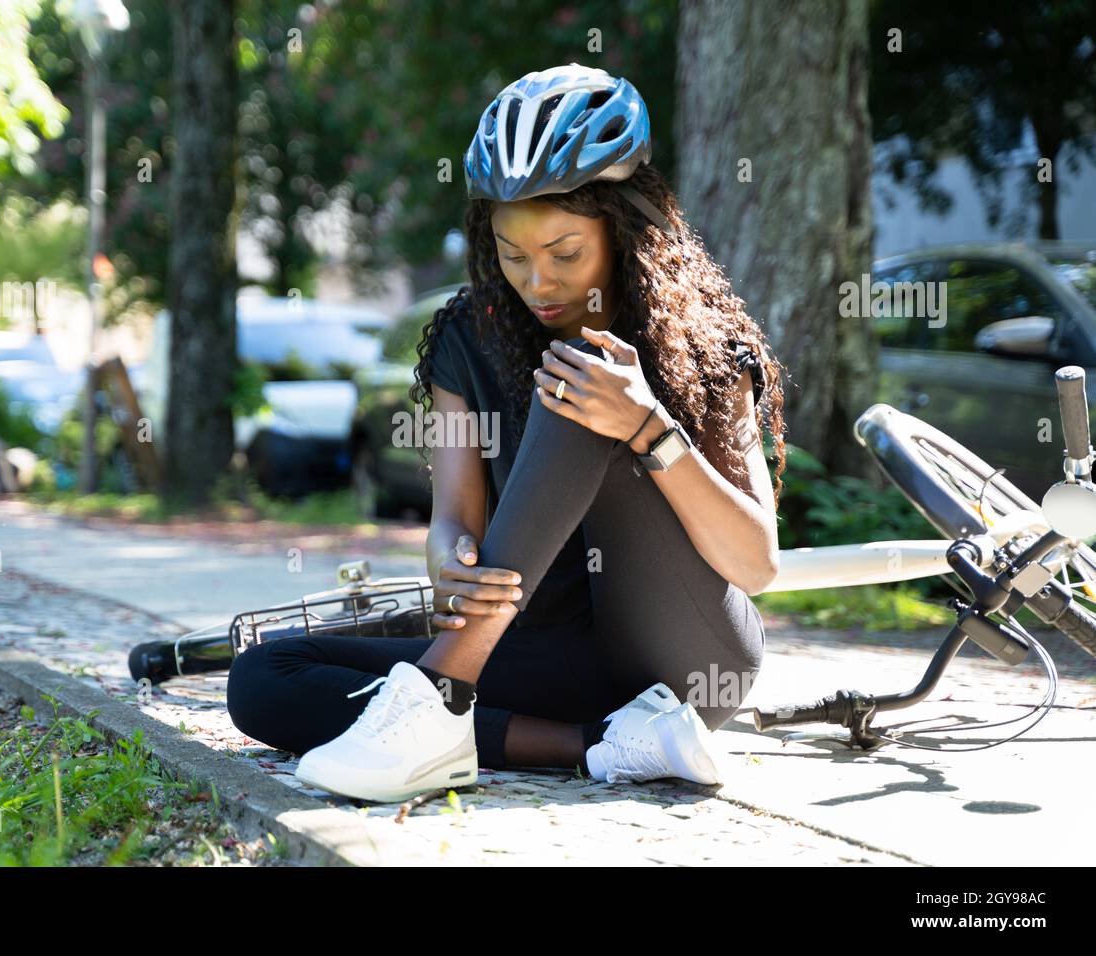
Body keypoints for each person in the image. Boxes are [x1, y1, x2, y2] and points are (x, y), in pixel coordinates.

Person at [226, 63, 788, 804]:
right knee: (263, 678)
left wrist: (648, 427)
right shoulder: (469, 333)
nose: (538, 282)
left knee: (585, 375)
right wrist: (448, 559)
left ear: (625, 233)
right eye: (511, 254)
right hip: (539, 655)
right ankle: (598, 748)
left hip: (685, 662)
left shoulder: (708, 346)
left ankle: (439, 699)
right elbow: (453, 521)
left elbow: (755, 565)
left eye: (564, 254)